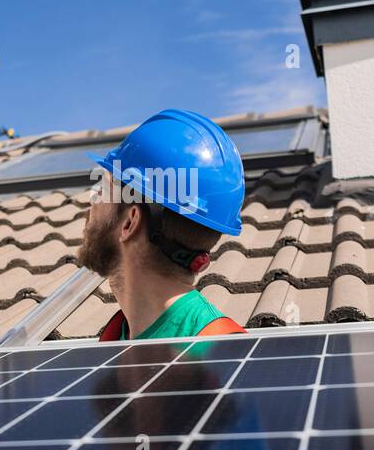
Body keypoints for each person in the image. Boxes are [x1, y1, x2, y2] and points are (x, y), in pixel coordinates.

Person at [78, 109, 248, 341]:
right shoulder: (116, 337)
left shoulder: (220, 352)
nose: (92, 197)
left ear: (130, 222)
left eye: (103, 189)